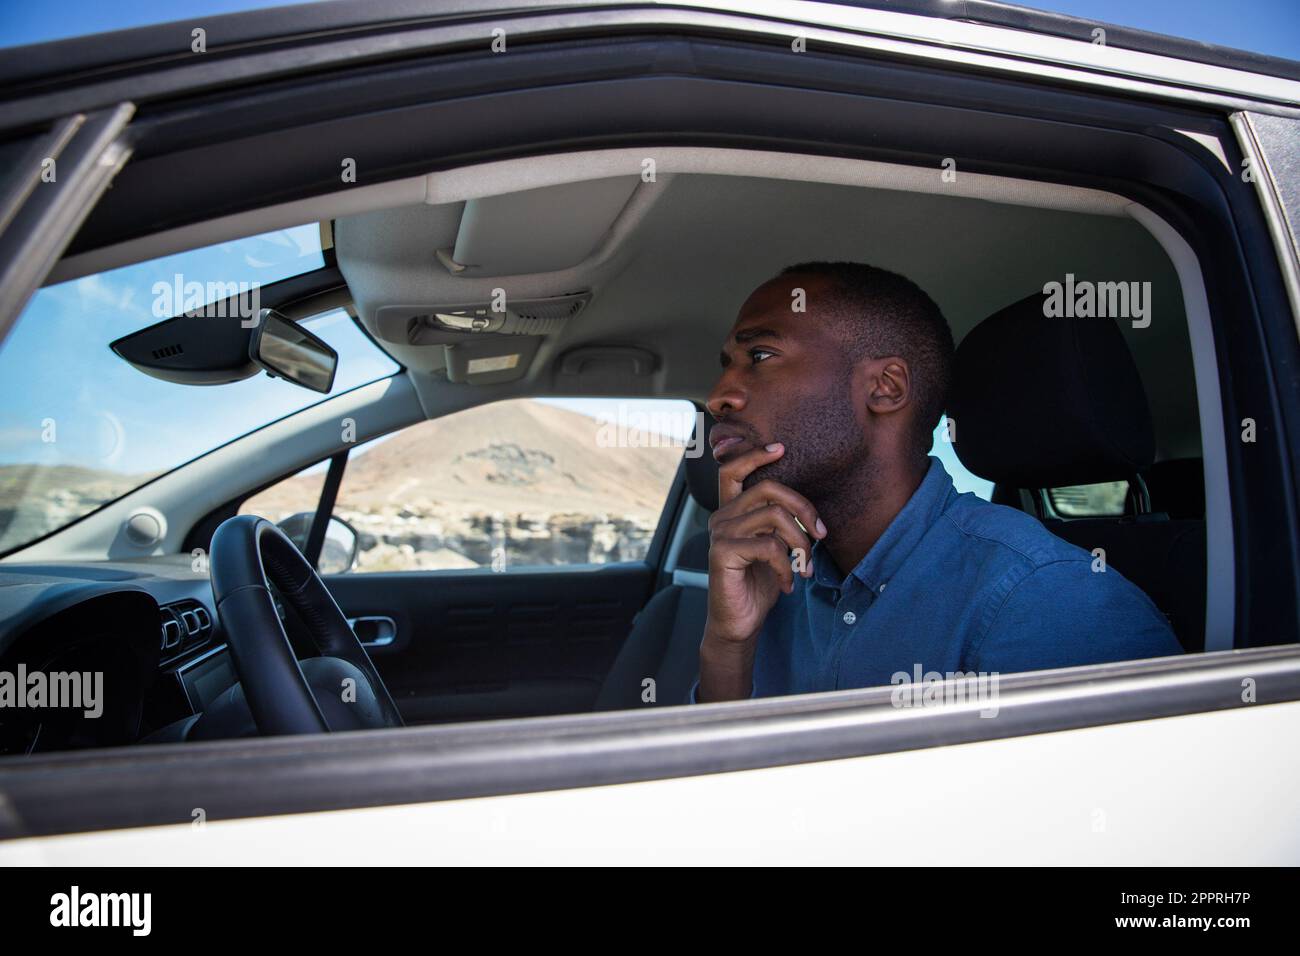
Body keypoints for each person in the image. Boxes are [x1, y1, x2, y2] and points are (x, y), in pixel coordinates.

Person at [692, 261, 1181, 704]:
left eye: (759, 355)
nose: (718, 398)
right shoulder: (775, 576)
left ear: (885, 388)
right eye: (726, 366)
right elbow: (714, 794)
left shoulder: (1047, 598)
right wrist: (728, 644)